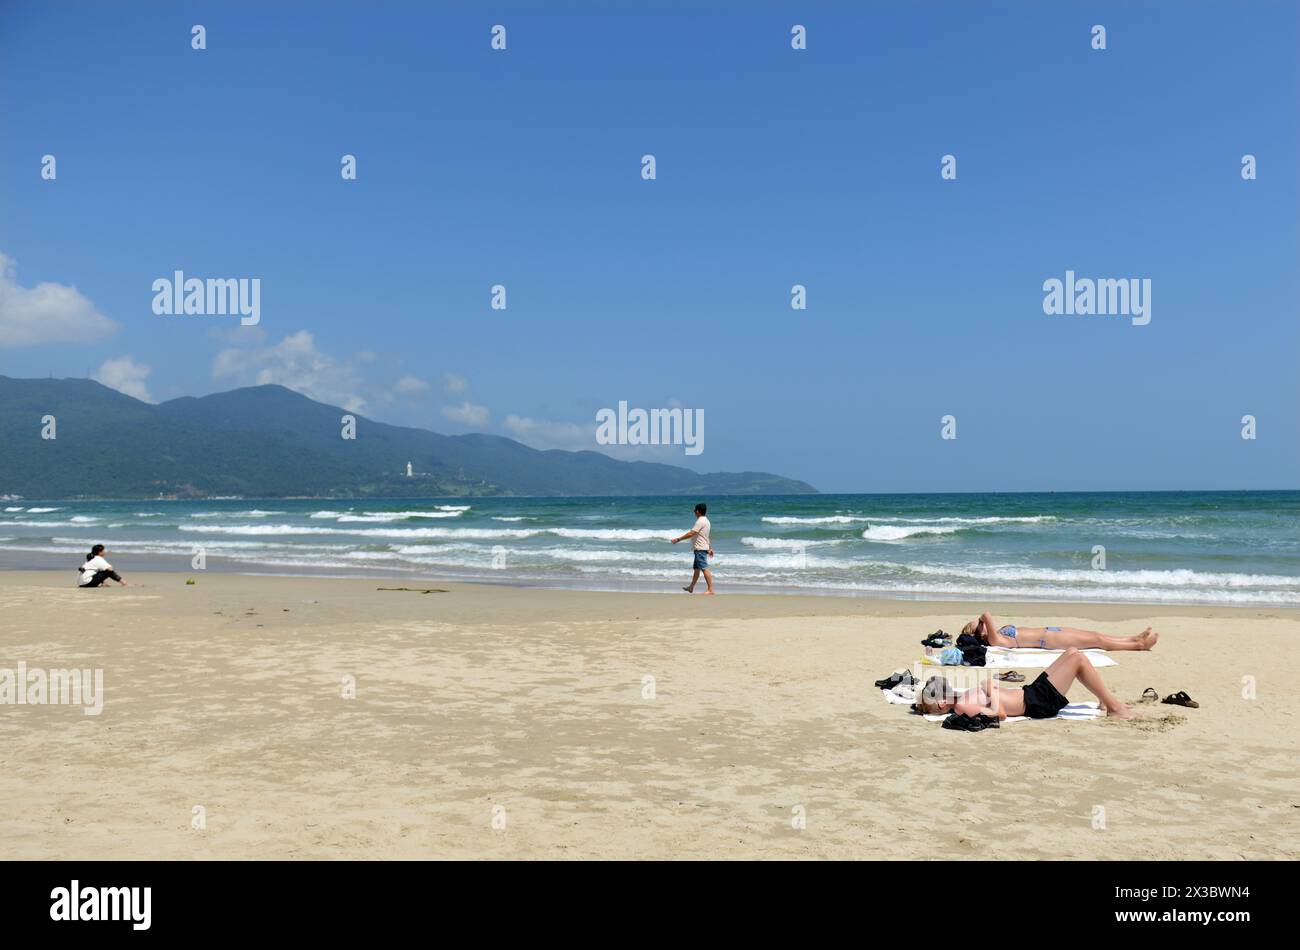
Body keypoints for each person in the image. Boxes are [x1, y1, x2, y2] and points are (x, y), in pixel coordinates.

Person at [916, 647, 1137, 720]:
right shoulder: (963, 706)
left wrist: (989, 688)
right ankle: (1115, 708)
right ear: (943, 702)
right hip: (1037, 703)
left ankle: (1104, 700)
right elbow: (1000, 715)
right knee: (1078, 659)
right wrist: (991, 689)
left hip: (1031, 691)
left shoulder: (964, 697)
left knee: (1072, 652)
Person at [963, 611, 1157, 651]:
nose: (981, 624)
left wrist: (979, 624)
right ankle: (1139, 646)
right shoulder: (996, 640)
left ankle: (1132, 638)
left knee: (1096, 635)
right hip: (1050, 640)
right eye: (978, 626)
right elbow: (987, 614)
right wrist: (980, 621)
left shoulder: (998, 635)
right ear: (979, 633)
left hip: (1052, 631)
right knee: (1098, 641)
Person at [671, 502, 714, 594]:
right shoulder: (706, 521)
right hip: (702, 548)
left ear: (698, 511)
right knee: (697, 569)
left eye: (695, 510)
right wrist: (710, 548)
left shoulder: (700, 521)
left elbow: (691, 533)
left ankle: (710, 589)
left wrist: (678, 539)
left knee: (704, 568)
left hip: (700, 549)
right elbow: (706, 536)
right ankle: (691, 587)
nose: (694, 512)